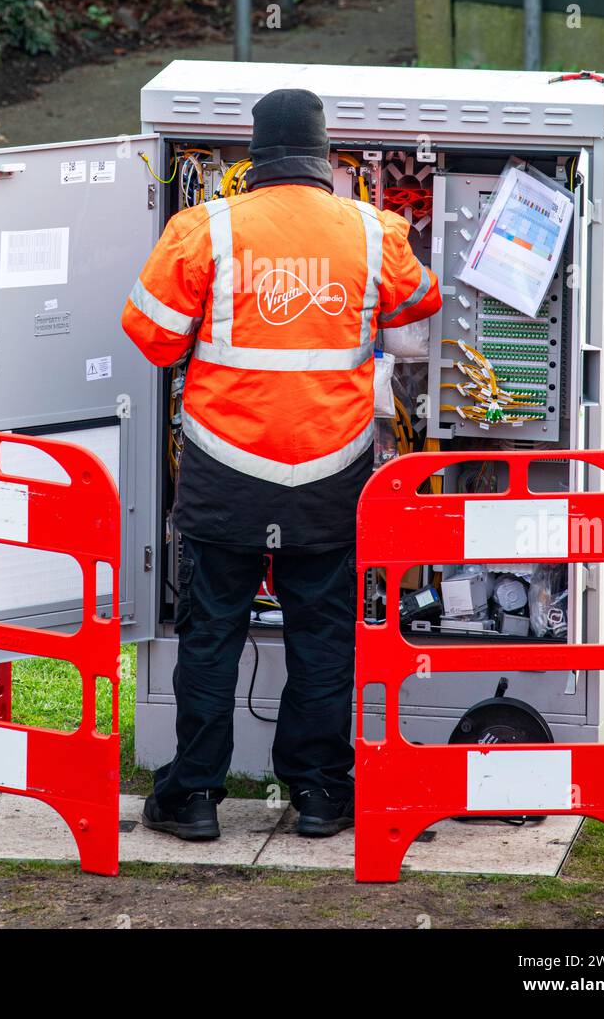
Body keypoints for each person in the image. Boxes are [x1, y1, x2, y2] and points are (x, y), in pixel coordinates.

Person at [122, 88, 441, 841]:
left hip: (224, 468)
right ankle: (324, 794)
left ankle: (193, 796)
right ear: (328, 160)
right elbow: (419, 306)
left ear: (254, 162)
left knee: (210, 634)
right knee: (323, 635)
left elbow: (153, 338)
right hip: (331, 472)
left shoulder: (205, 228)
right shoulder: (374, 228)